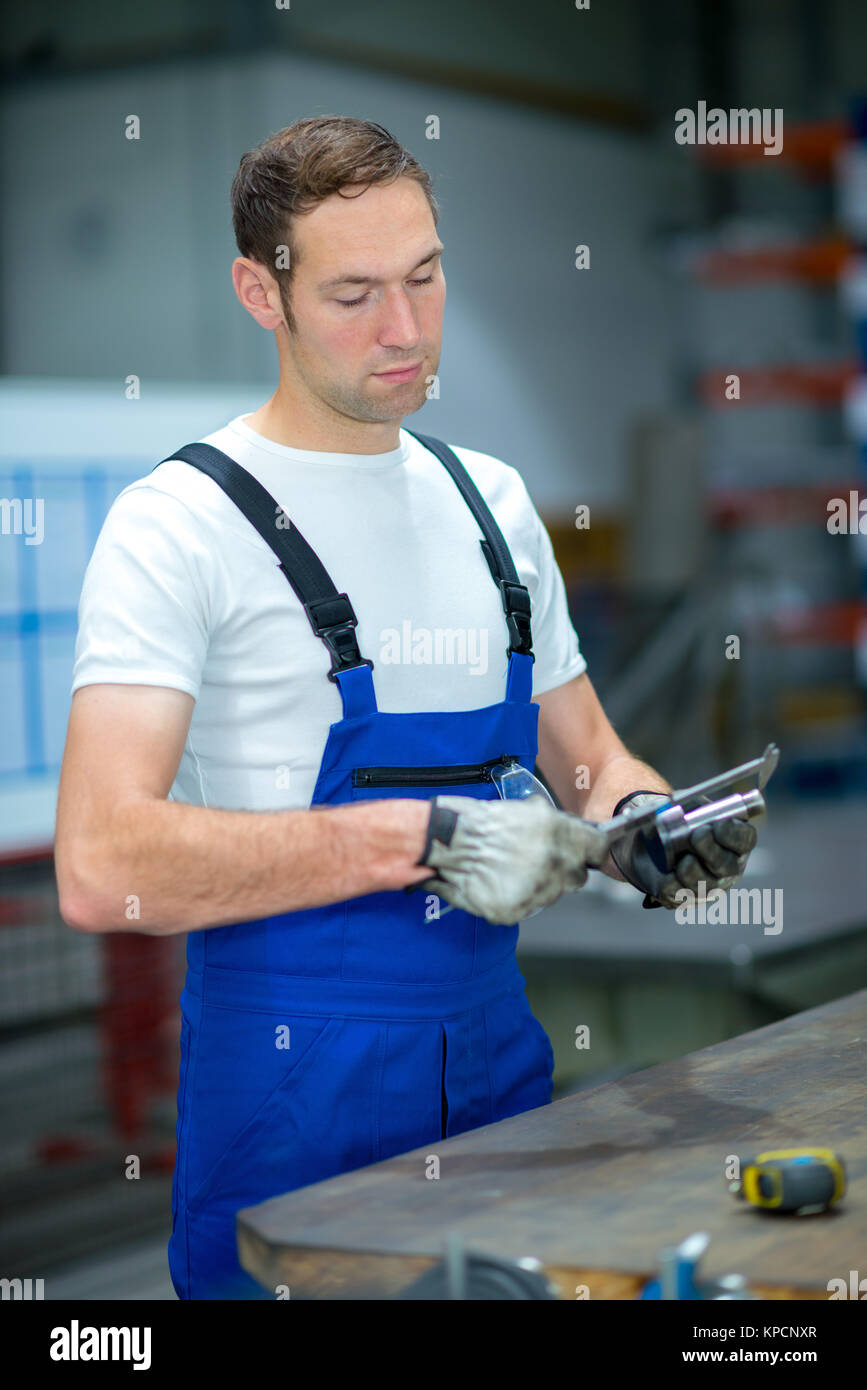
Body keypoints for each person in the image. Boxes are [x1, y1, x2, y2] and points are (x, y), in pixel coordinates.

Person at [54, 115, 756, 1300]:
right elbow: (97, 859)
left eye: (426, 278)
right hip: (289, 1098)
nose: (406, 330)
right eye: (354, 295)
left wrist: (652, 820)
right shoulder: (179, 524)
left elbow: (586, 755)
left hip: (499, 1074)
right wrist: (419, 840)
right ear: (258, 291)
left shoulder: (492, 504)